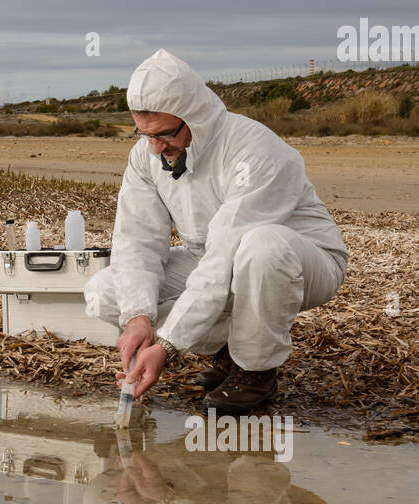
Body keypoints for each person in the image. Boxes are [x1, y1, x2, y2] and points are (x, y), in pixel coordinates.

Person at [84, 48, 348, 413]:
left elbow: (225, 255)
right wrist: (139, 319)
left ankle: (256, 368)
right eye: (145, 134)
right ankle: (229, 349)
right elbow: (137, 240)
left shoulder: (254, 149)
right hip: (208, 255)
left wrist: (167, 345)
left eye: (164, 134)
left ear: (194, 116)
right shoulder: (146, 155)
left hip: (301, 257)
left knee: (261, 248)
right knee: (105, 291)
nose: (157, 147)